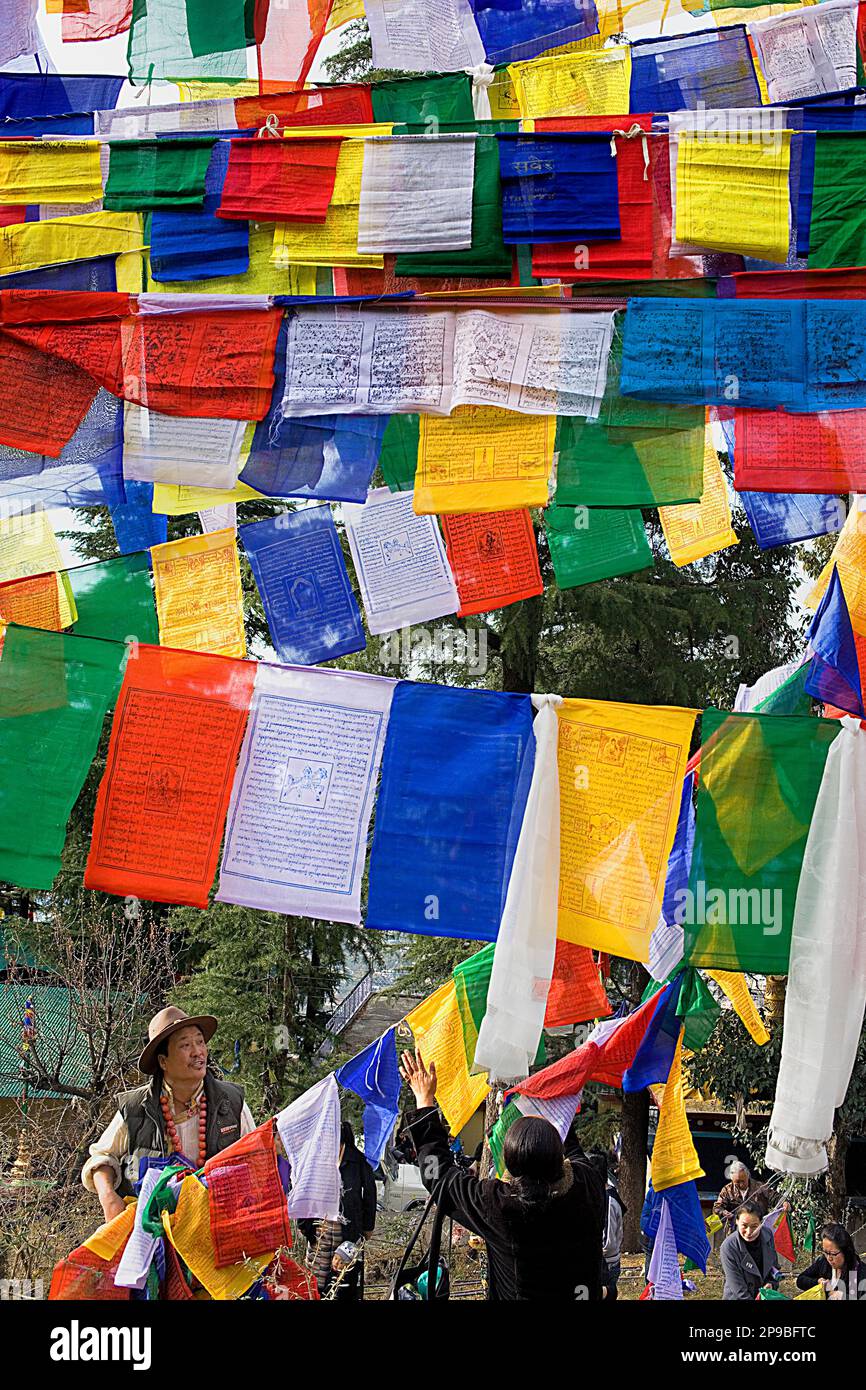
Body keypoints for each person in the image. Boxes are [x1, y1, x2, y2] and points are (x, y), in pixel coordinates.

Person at [400, 1049, 605, 1301]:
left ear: (507, 1161)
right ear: (558, 1155)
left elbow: (438, 1176)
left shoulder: (500, 1206)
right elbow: (572, 1148)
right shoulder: (587, 1184)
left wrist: (424, 1101)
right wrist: (555, 1096)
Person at [82, 1006, 256, 1222]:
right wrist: (108, 1197)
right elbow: (102, 1157)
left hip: (217, 1227)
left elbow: (257, 1159)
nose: (197, 1052)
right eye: (185, 1045)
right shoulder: (137, 1107)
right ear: (163, 1061)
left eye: (200, 1042)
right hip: (153, 1230)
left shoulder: (230, 1102)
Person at [299, 1122, 377, 1301]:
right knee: (316, 1279)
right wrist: (304, 1225)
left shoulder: (357, 1161)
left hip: (346, 1231)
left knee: (343, 1280)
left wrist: (367, 1227)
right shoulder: (317, 1159)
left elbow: (369, 1196)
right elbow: (305, 1190)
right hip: (320, 1230)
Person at [720, 1201, 779, 1300]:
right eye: (744, 1226)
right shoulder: (728, 1247)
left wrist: (771, 1284)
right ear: (737, 1221)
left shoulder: (768, 1235)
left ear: (761, 1223)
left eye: (754, 1226)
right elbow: (739, 1290)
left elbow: (774, 1268)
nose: (749, 1232)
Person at [796, 1222, 866, 1301]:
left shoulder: (856, 1272)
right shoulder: (823, 1262)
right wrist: (817, 1282)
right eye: (826, 1252)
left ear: (846, 1251)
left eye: (833, 1254)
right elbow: (800, 1280)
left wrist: (843, 1296)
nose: (829, 1258)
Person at [714, 1162, 771, 1229]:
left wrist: (785, 1203)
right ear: (732, 1180)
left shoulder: (760, 1187)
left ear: (747, 1176)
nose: (741, 1184)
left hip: (758, 1228)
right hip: (735, 1229)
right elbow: (717, 1207)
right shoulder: (727, 1190)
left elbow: (776, 1197)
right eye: (737, 1182)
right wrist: (723, 1212)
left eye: (743, 1181)